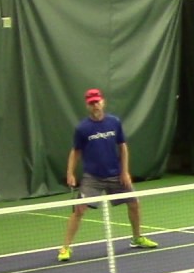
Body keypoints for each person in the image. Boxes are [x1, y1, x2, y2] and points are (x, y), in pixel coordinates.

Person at [57, 88, 158, 261]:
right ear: (87, 106)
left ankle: (137, 238)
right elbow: (75, 151)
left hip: (116, 175)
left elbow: (123, 146)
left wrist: (125, 171)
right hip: (93, 178)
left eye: (97, 101)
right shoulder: (82, 128)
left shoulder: (114, 122)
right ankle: (65, 248)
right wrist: (70, 173)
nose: (95, 105)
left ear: (103, 102)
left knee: (134, 203)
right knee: (79, 209)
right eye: (91, 103)